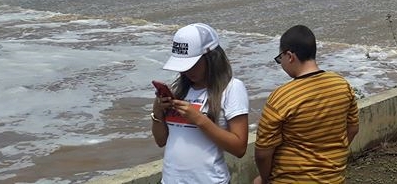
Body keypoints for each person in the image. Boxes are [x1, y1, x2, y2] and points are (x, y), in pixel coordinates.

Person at [254, 25, 359, 184]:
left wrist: (265, 178)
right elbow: (353, 128)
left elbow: (263, 153)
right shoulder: (341, 85)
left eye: (279, 58)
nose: (280, 63)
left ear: (289, 56)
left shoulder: (282, 97)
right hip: (334, 178)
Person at [152, 23, 249, 184]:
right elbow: (161, 141)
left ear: (211, 58)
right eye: (182, 66)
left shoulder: (232, 88)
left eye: (193, 65)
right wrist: (157, 112)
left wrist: (200, 120)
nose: (186, 71)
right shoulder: (179, 88)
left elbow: (239, 148)